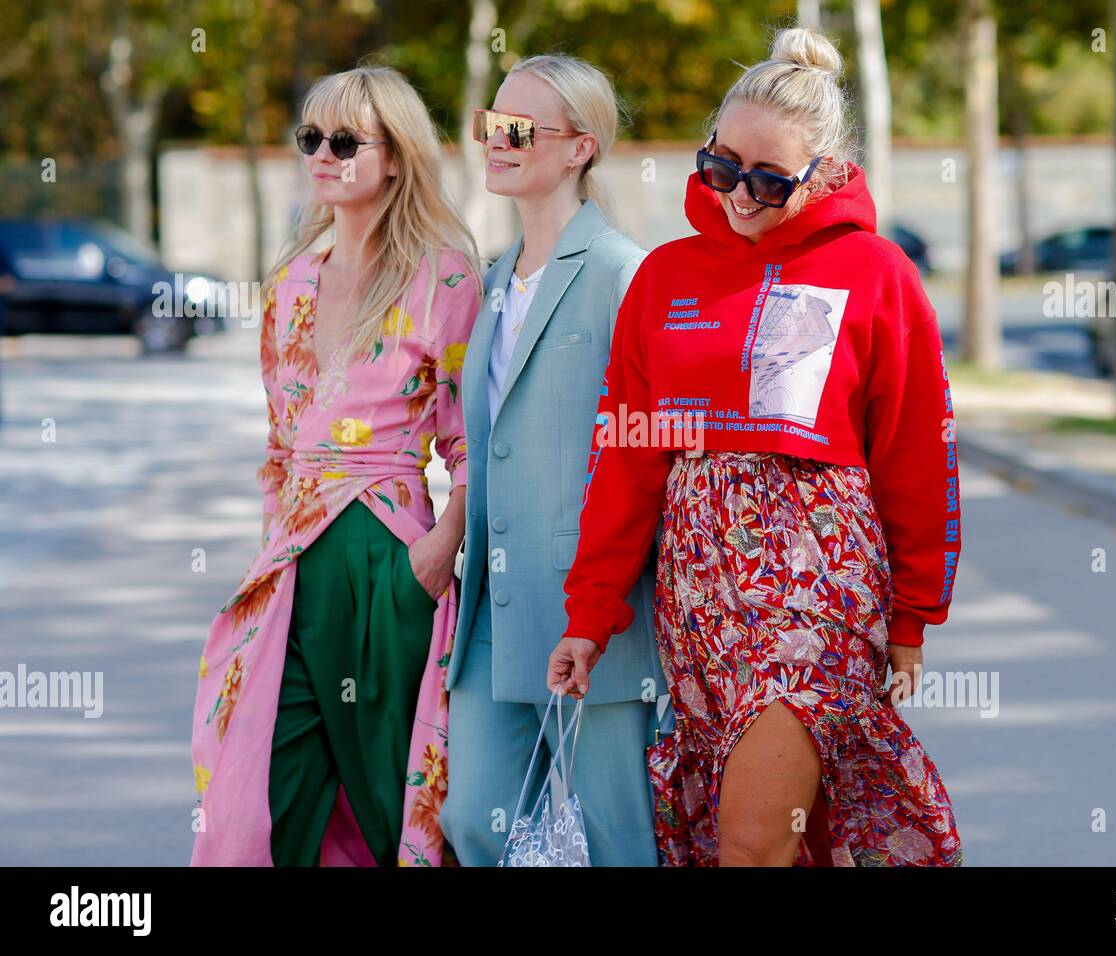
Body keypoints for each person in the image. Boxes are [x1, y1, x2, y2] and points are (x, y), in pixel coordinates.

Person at [548, 26, 964, 867]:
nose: (740, 194)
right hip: (696, 604)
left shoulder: (878, 275)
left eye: (771, 180)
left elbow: (918, 457)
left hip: (816, 590)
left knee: (751, 839)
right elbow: (627, 457)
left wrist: (915, 614)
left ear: (826, 174)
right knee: (735, 833)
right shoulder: (664, 278)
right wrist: (590, 612)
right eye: (722, 166)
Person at [190, 65, 482, 867]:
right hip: (294, 564)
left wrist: (438, 550)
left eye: (345, 140)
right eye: (310, 137)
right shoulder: (290, 283)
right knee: (270, 793)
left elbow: (470, 444)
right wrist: (267, 559)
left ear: (394, 157)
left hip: (387, 558)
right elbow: (280, 449)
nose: (322, 154)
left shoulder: (444, 276)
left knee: (390, 790)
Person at [438, 53, 666, 867]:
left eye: (519, 129)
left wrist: (602, 609)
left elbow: (647, 454)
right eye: (491, 125)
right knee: (473, 822)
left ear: (581, 148)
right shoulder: (495, 280)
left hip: (596, 619)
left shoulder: (621, 272)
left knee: (619, 845)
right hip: (494, 614)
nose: (497, 142)